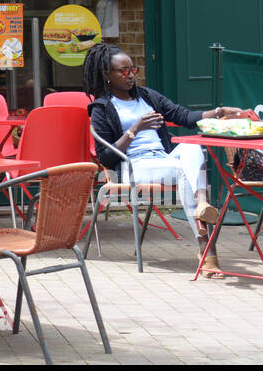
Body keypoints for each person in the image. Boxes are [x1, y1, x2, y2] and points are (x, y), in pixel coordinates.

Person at [84, 43, 245, 276]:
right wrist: (135, 129)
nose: (130, 76)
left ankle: (201, 204)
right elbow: (106, 157)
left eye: (133, 69)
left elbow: (184, 116)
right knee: (185, 172)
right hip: (134, 166)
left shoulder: (147, 96)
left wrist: (218, 112)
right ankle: (206, 247)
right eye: (123, 71)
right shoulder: (101, 108)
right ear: (107, 75)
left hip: (163, 159)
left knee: (191, 144)